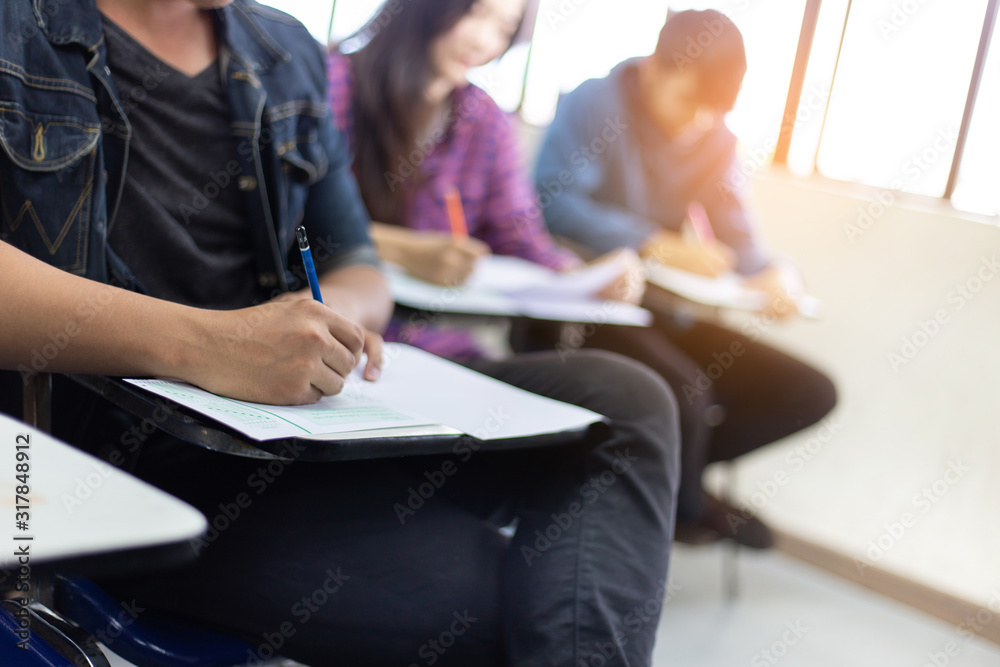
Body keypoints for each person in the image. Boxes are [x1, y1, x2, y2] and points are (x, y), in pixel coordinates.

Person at [0, 1, 680, 664]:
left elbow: (354, 260)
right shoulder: (19, 25)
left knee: (628, 396)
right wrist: (212, 344)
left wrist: (327, 326)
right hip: (120, 472)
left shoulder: (282, 50)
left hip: (292, 433)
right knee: (545, 606)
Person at [534, 9, 838, 548]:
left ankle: (677, 486)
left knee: (807, 392)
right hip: (591, 310)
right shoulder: (594, 103)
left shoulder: (715, 140)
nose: (697, 123)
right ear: (654, 68)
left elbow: (744, 244)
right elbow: (554, 201)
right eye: (687, 102)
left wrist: (777, 276)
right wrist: (652, 242)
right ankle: (684, 503)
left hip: (671, 316)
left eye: (711, 111)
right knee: (686, 396)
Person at [327, 0, 645, 363]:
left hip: (440, 347)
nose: (483, 42)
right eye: (474, 14)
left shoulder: (485, 121)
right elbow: (291, 219)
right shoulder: (332, 82)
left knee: (626, 389)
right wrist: (401, 249)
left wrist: (585, 278)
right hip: (345, 336)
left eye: (503, 29)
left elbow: (521, 237)